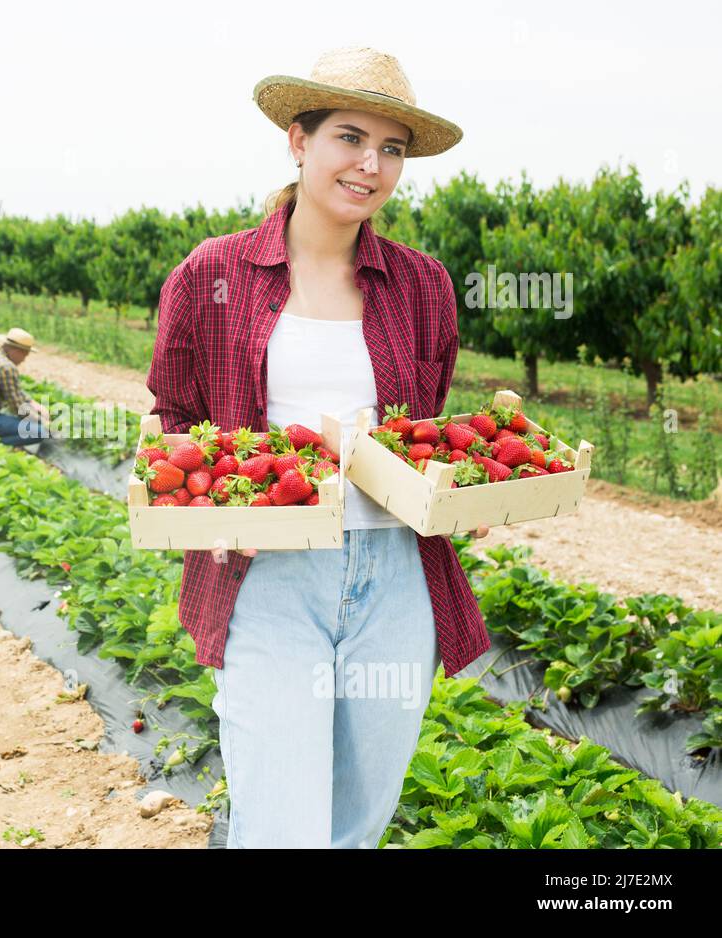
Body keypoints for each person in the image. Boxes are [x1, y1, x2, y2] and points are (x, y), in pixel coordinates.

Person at [147, 46, 492, 849]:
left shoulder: (423, 285)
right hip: (269, 575)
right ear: (298, 141)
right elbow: (174, 413)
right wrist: (211, 502)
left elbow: (423, 428)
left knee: (357, 821)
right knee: (280, 827)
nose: (370, 165)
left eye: (393, 148)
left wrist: (457, 489)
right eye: (349, 137)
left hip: (395, 577)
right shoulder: (212, 273)